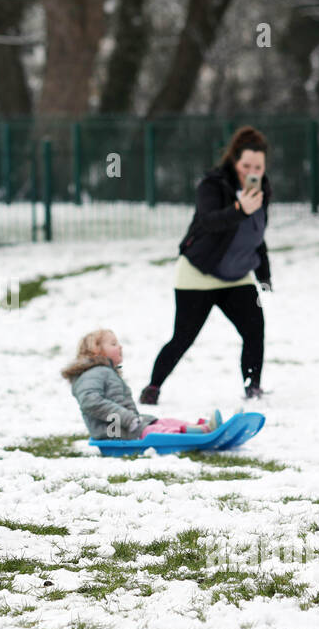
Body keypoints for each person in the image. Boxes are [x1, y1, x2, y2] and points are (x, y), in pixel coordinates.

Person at [140, 126, 272, 406]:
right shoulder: (212, 185)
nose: (252, 171)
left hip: (236, 275)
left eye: (258, 166)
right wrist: (239, 209)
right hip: (198, 272)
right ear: (234, 161)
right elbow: (208, 221)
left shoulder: (262, 190)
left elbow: (256, 235)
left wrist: (264, 276)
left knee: (254, 328)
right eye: (246, 164)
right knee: (184, 337)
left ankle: (253, 387)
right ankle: (152, 388)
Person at [63, 329, 218, 442]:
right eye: (113, 344)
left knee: (160, 422)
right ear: (97, 350)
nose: (120, 347)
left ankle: (202, 427)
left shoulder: (103, 372)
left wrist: (132, 419)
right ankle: (197, 435)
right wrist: (128, 419)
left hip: (124, 425)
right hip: (113, 431)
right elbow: (91, 402)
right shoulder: (94, 373)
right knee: (155, 432)